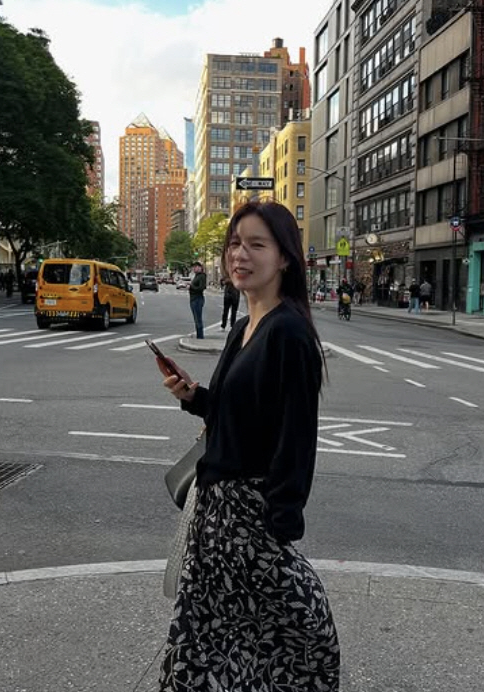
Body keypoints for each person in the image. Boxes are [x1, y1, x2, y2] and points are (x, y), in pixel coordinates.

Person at [155, 201, 340, 691]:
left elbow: (297, 436)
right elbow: (237, 413)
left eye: (257, 244)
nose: (240, 254)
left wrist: (280, 522)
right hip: (215, 518)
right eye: (235, 243)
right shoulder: (244, 326)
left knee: (301, 637)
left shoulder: (289, 332)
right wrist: (194, 396)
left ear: (285, 258)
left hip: (249, 520)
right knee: (206, 642)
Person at [188, 261, 206, 339]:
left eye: (195, 267)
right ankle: (199, 335)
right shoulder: (196, 276)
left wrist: (191, 286)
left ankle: (200, 336)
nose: (194, 269)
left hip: (197, 299)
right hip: (193, 299)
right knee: (196, 319)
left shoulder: (202, 276)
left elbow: (201, 288)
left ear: (200, 267)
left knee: (198, 319)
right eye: (193, 267)